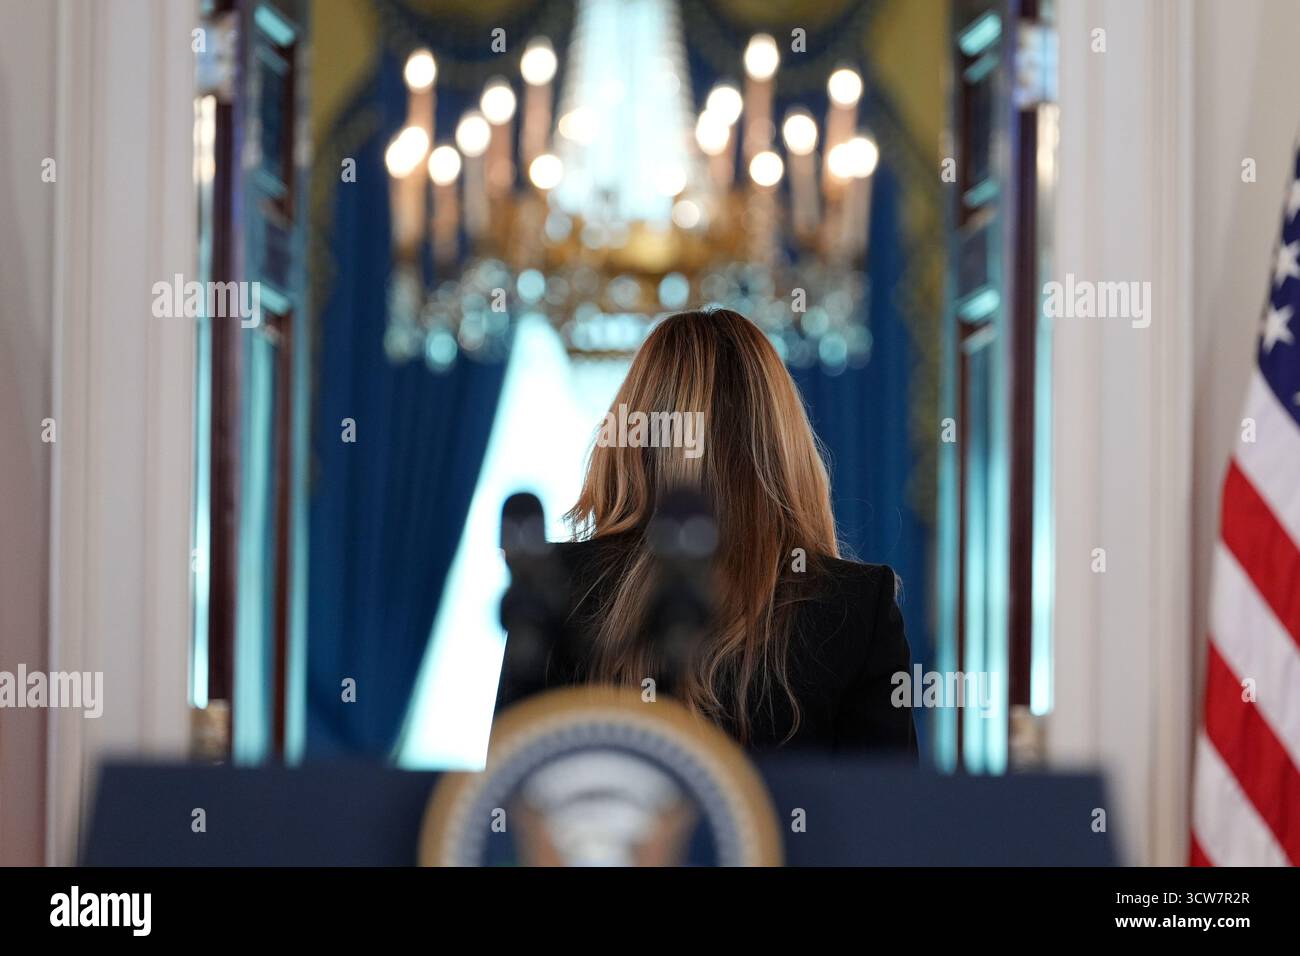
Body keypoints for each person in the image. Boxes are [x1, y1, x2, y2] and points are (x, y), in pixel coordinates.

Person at [495, 308, 917, 757]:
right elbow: (891, 818)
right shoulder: (857, 604)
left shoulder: (557, 584)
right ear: (785, 447)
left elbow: (505, 794)